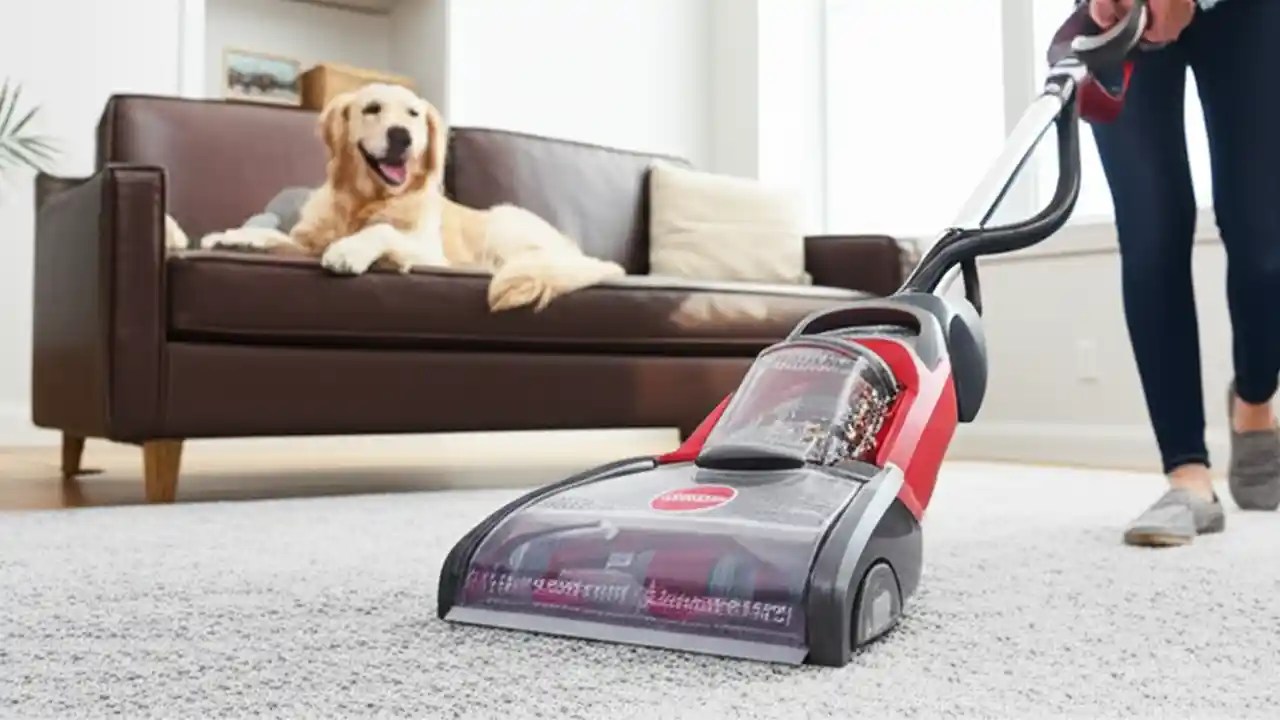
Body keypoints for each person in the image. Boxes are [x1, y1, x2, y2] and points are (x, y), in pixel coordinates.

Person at [1080, 0, 1280, 546]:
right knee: (1150, 229)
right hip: (1118, 12)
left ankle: (1255, 402)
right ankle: (1188, 476)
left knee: (1265, 242)